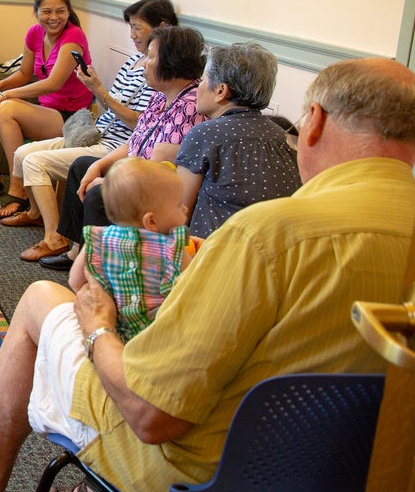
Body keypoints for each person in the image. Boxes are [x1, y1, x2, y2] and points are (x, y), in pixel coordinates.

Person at [0, 58, 415, 492]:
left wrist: (100, 328)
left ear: (316, 122)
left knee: (38, 297)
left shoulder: (266, 237)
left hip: (203, 480)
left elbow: (151, 414)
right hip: (358, 481)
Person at [0, 0, 175, 231]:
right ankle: (36, 212)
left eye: (137, 28)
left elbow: (138, 123)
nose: (132, 35)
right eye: (131, 27)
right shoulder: (134, 61)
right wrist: (96, 88)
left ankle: (54, 237)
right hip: (97, 132)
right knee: (21, 153)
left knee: (33, 159)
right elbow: (111, 107)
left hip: (114, 143)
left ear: (162, 28)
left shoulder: (159, 73)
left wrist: (99, 90)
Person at [38, 25, 207, 264]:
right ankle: (77, 251)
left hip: (156, 188)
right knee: (82, 166)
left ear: (172, 62)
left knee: (98, 194)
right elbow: (137, 139)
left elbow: (160, 170)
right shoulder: (161, 94)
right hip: (136, 170)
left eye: (151, 57)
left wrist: (111, 181)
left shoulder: (190, 107)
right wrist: (100, 167)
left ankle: (96, 268)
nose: (144, 63)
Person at [0, 0, 94, 201]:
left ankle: (18, 187)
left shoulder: (74, 37)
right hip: (47, 111)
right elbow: (24, 73)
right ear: (37, 12)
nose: (54, 17)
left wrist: (6, 95)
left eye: (60, 11)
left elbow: (54, 84)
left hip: (72, 117)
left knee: (6, 107)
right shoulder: (34, 33)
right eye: (47, 11)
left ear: (69, 12)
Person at [175, 42, 301, 237]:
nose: (198, 87)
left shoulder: (205, 134)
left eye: (202, 80)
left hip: (213, 254)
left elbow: (178, 213)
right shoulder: (285, 137)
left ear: (221, 91)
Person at [68, 159, 190, 344]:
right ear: (152, 221)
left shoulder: (99, 239)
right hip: (157, 337)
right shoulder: (172, 249)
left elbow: (75, 281)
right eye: (178, 205)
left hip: (110, 332)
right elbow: (192, 287)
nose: (185, 208)